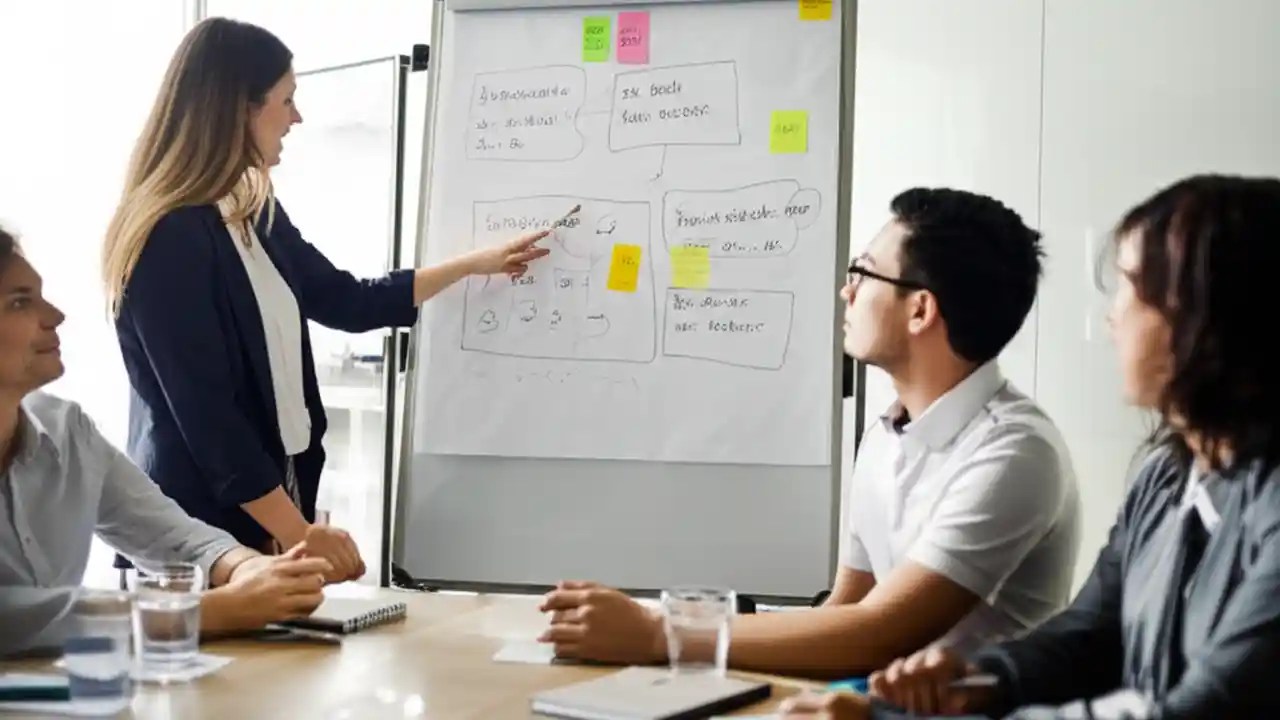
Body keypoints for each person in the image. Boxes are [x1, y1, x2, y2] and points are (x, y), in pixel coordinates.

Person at [781, 174, 1280, 718]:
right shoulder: (1165, 476)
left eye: (1135, 288)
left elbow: (1207, 709)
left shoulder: (1019, 449)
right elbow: (1090, 636)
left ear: (1212, 316)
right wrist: (978, 681)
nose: (1111, 318)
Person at [539, 188, 1080, 677]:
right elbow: (844, 613)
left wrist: (661, 633)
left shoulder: (1015, 454)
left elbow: (881, 635)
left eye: (863, 274)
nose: (847, 292)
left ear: (920, 310)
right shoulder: (889, 433)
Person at [101, 17, 549, 581]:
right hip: (197, 538)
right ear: (239, 106)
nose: (297, 117)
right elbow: (209, 419)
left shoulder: (251, 210)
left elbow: (345, 301)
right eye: (286, 100)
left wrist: (473, 265)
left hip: (272, 510)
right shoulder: (169, 237)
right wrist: (301, 535)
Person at [0, 228, 333, 656]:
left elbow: (175, 538)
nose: (55, 315)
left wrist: (253, 570)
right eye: (19, 302)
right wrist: (210, 611)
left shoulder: (68, 432)